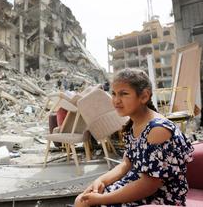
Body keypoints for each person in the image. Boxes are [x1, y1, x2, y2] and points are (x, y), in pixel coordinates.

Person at [74, 68, 194, 207]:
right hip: (136, 184)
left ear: (144, 96)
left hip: (160, 197)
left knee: (87, 203)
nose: (116, 100)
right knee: (82, 199)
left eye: (124, 94)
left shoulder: (157, 129)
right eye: (113, 94)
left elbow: (149, 185)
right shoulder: (133, 124)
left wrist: (102, 199)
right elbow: (126, 164)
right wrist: (100, 181)